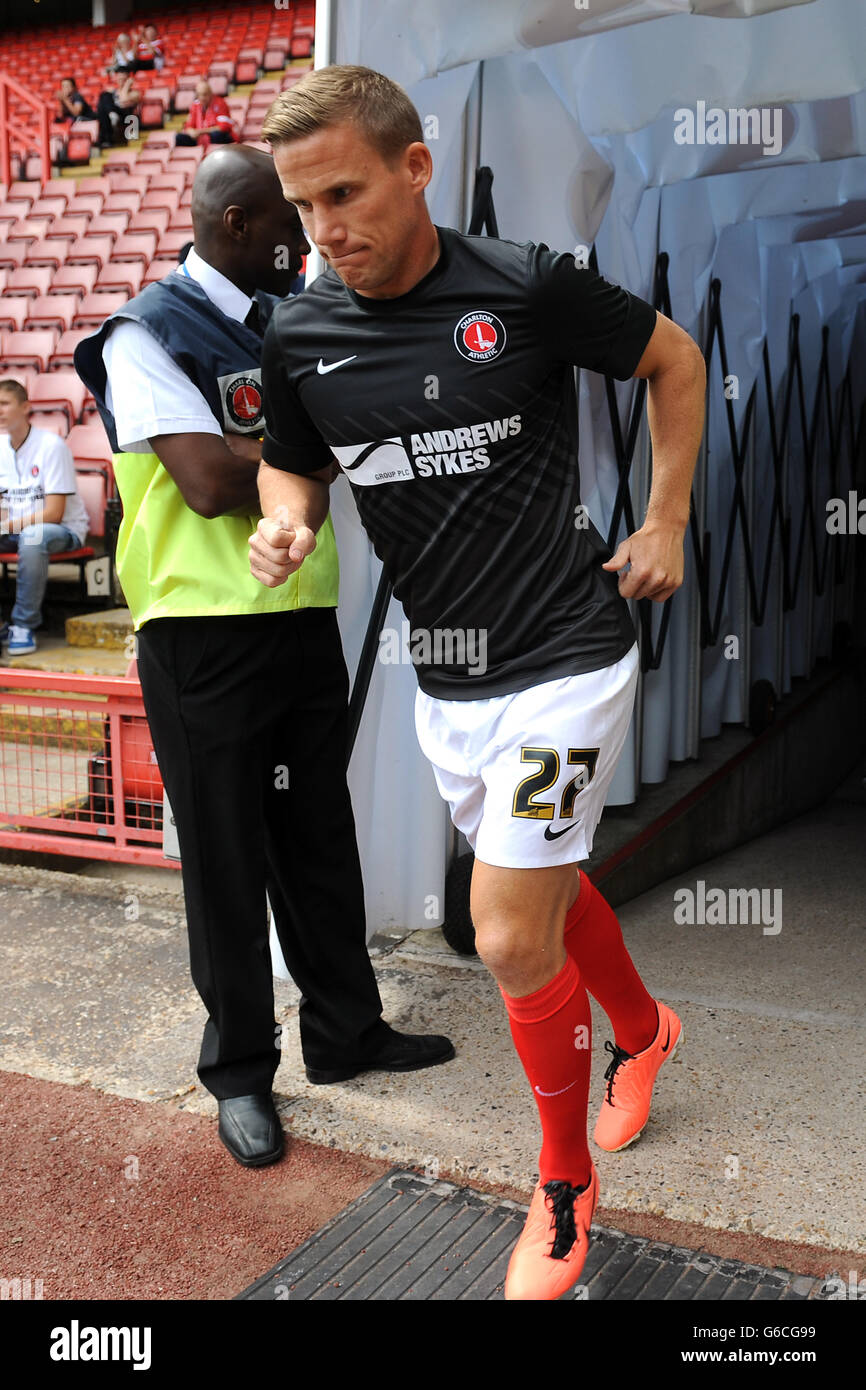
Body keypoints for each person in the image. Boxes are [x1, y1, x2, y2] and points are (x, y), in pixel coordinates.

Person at [249, 66, 706, 1298]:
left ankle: (559, 1186)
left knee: (504, 931)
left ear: (414, 167)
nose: (325, 228)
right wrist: (287, 521)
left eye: (343, 192)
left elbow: (675, 361)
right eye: (302, 208)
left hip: (567, 652)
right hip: (446, 684)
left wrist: (663, 519)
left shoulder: (525, 287)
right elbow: (290, 469)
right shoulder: (297, 332)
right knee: (537, 891)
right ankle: (646, 1029)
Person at [73, 144, 454, 1171]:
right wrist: (332, 443)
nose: (306, 239)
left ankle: (343, 1030)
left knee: (316, 835)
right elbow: (204, 478)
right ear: (237, 223)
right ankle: (240, 1071)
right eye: (287, 219)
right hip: (199, 635)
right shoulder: (143, 333)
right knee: (229, 860)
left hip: (295, 615)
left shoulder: (289, 321)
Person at [0, 380, 90, 657]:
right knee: (27, 535)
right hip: (16, 529)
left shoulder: (51, 445)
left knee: (33, 536)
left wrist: (5, 526)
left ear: (26, 407)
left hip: (62, 530)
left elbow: (54, 513)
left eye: (4, 403)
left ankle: (24, 625)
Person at [176, 80, 236, 148]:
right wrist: (191, 131)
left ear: (210, 93)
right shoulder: (195, 105)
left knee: (216, 135)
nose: (202, 97)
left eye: (204, 94)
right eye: (199, 95)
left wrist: (200, 132)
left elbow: (224, 127)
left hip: (221, 139)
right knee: (179, 137)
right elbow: (188, 125)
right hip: (201, 139)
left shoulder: (220, 103)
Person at [95, 73, 142, 149]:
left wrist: (126, 86)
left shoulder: (134, 93)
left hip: (127, 115)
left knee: (105, 104)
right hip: (113, 114)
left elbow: (124, 100)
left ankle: (106, 139)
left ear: (128, 81)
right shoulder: (113, 92)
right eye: (119, 79)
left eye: (124, 80)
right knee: (104, 96)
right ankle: (112, 114)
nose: (121, 81)